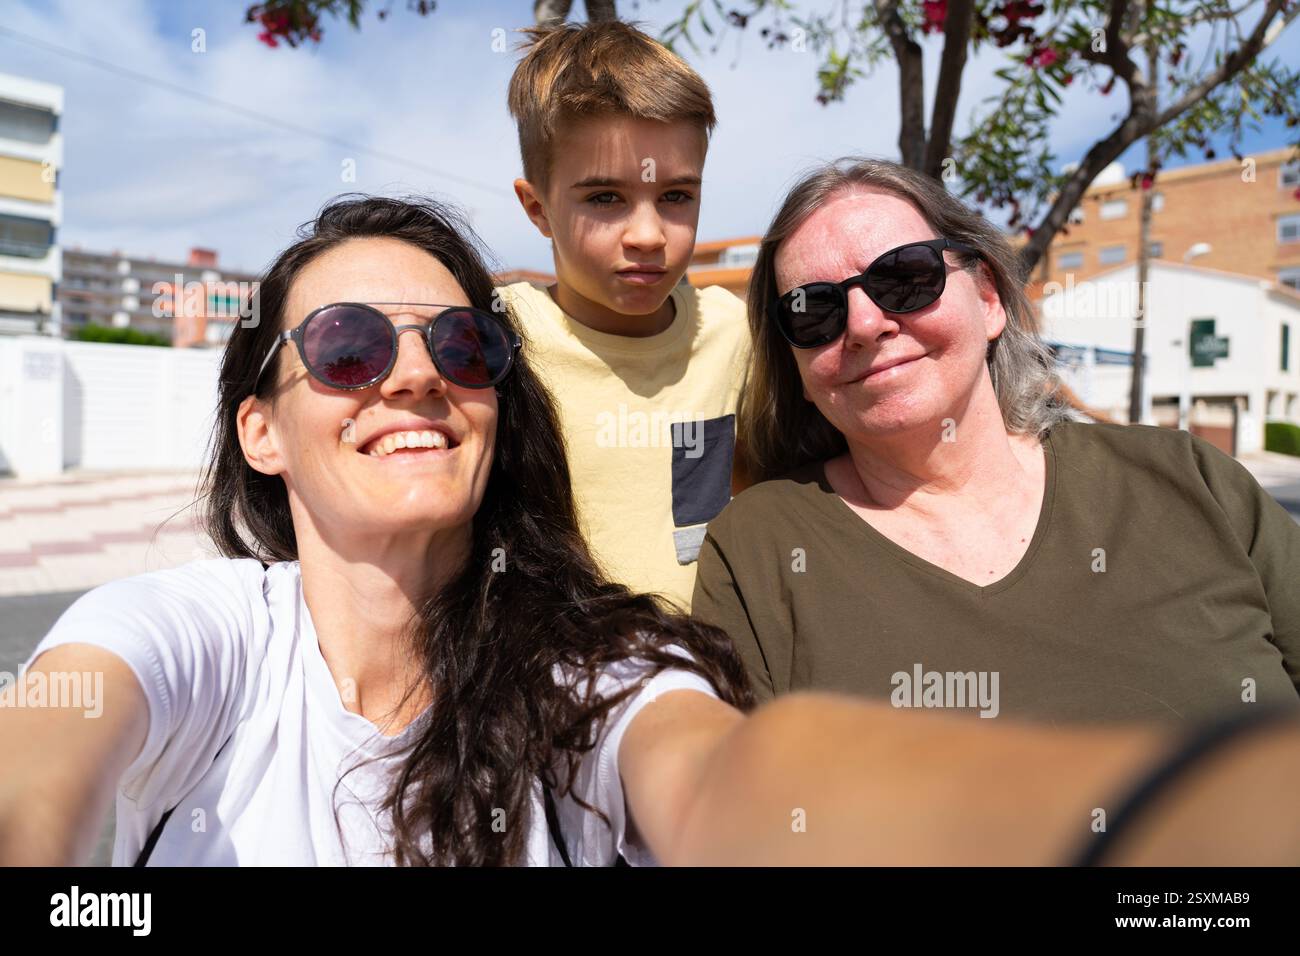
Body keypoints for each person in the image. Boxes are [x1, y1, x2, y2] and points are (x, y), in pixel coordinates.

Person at [4, 195, 1300, 868]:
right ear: (260, 427)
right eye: (346, 346)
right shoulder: (186, 626)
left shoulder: (591, 666)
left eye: (460, 343)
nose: (412, 377)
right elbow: (48, 744)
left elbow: (740, 782)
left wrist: (1147, 824)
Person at [691, 157, 1300, 723]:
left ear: (987, 299)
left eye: (904, 277)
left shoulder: (1191, 481)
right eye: (811, 310)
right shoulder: (758, 551)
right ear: (793, 363)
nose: (864, 325)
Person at [496, 21, 753, 612]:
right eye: (605, 198)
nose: (647, 235)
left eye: (676, 196)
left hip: (708, 673)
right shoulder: (499, 343)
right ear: (537, 207)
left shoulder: (729, 333)